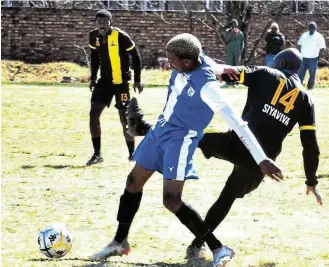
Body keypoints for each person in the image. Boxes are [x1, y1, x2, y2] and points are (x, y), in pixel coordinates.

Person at [90, 33, 283, 267]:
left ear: (187, 62)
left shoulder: (208, 87)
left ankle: (218, 248)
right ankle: (119, 242)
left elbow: (238, 124)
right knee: (133, 182)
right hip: (160, 131)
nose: (168, 62)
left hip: (181, 141)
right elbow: (212, 63)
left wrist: (262, 159)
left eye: (172, 59)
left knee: (171, 200)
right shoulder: (194, 57)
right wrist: (223, 68)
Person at [125, 48, 322, 259]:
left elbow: (226, 72)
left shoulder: (267, 73)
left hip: (236, 143)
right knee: (226, 198)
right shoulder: (306, 101)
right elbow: (310, 145)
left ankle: (144, 128)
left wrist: (195, 63)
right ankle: (197, 245)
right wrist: (311, 180)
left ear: (281, 64)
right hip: (261, 161)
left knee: (192, 136)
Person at [87, 9, 143, 166]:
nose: (102, 25)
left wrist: (137, 80)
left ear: (110, 23)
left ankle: (132, 155)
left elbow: (136, 56)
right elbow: (94, 57)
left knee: (124, 119)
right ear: (95, 23)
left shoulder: (121, 36)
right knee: (93, 115)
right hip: (103, 83)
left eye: (105, 22)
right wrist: (92, 78)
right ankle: (97, 154)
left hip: (121, 84)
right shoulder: (94, 37)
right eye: (99, 22)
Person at [297, 21, 326, 90]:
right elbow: (299, 45)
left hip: (313, 58)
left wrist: (319, 57)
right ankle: (299, 86)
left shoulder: (319, 36)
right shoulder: (304, 35)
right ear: (308, 28)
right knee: (301, 73)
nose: (311, 28)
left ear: (316, 28)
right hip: (303, 58)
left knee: (312, 74)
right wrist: (299, 54)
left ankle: (310, 86)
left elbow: (323, 48)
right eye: (310, 27)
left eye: (313, 27)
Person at [223, 19, 244, 88]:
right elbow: (226, 40)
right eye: (233, 24)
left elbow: (242, 43)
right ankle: (227, 82)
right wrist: (232, 33)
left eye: (235, 24)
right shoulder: (228, 32)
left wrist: (240, 51)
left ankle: (235, 82)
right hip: (230, 52)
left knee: (236, 68)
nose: (234, 25)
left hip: (237, 53)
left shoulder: (240, 33)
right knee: (228, 67)